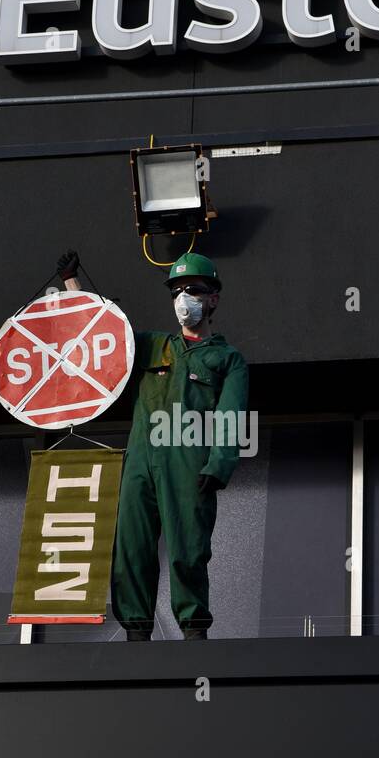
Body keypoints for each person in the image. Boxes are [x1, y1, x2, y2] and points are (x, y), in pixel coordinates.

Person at [57, 249, 248, 640]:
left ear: (213, 298)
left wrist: (218, 465)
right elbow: (99, 335)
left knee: (188, 550)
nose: (184, 299)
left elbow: (231, 415)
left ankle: (194, 633)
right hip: (141, 461)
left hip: (189, 461)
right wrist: (72, 285)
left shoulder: (227, 360)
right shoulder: (150, 346)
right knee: (131, 548)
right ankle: (136, 635)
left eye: (193, 290)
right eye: (176, 291)